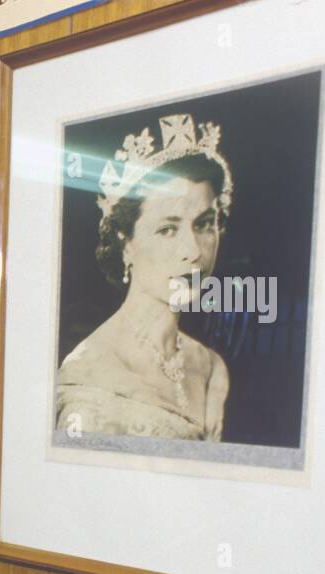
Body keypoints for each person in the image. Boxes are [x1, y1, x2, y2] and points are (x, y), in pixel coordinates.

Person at [56, 113, 233, 440]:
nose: (193, 251)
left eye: (204, 224)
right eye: (168, 230)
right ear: (126, 246)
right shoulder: (90, 380)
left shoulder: (207, 365)